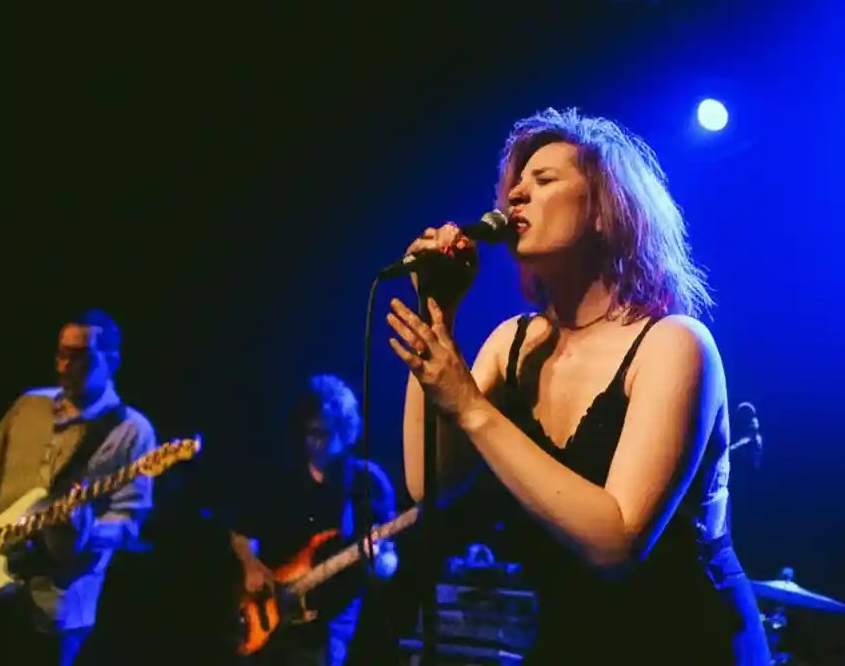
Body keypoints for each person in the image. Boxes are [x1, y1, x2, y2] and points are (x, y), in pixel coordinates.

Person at [386, 108, 771, 665]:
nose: (515, 196)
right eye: (515, 184)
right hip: (572, 637)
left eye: (544, 181)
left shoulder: (674, 345)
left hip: (687, 641)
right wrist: (437, 310)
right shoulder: (512, 345)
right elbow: (430, 487)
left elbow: (615, 541)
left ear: (602, 210)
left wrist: (471, 406)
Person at [0, 309, 157, 665]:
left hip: (55, 606)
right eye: (60, 354)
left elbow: (129, 524)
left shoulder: (133, 431)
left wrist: (86, 532)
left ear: (112, 360)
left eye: (78, 356)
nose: (63, 366)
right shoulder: (29, 405)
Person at [229, 374, 399, 666]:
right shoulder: (281, 481)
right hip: (269, 616)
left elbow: (388, 563)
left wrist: (379, 562)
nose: (316, 442)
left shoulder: (366, 482)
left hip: (328, 625)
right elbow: (240, 531)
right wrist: (251, 566)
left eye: (325, 433)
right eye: (311, 432)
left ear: (345, 431)